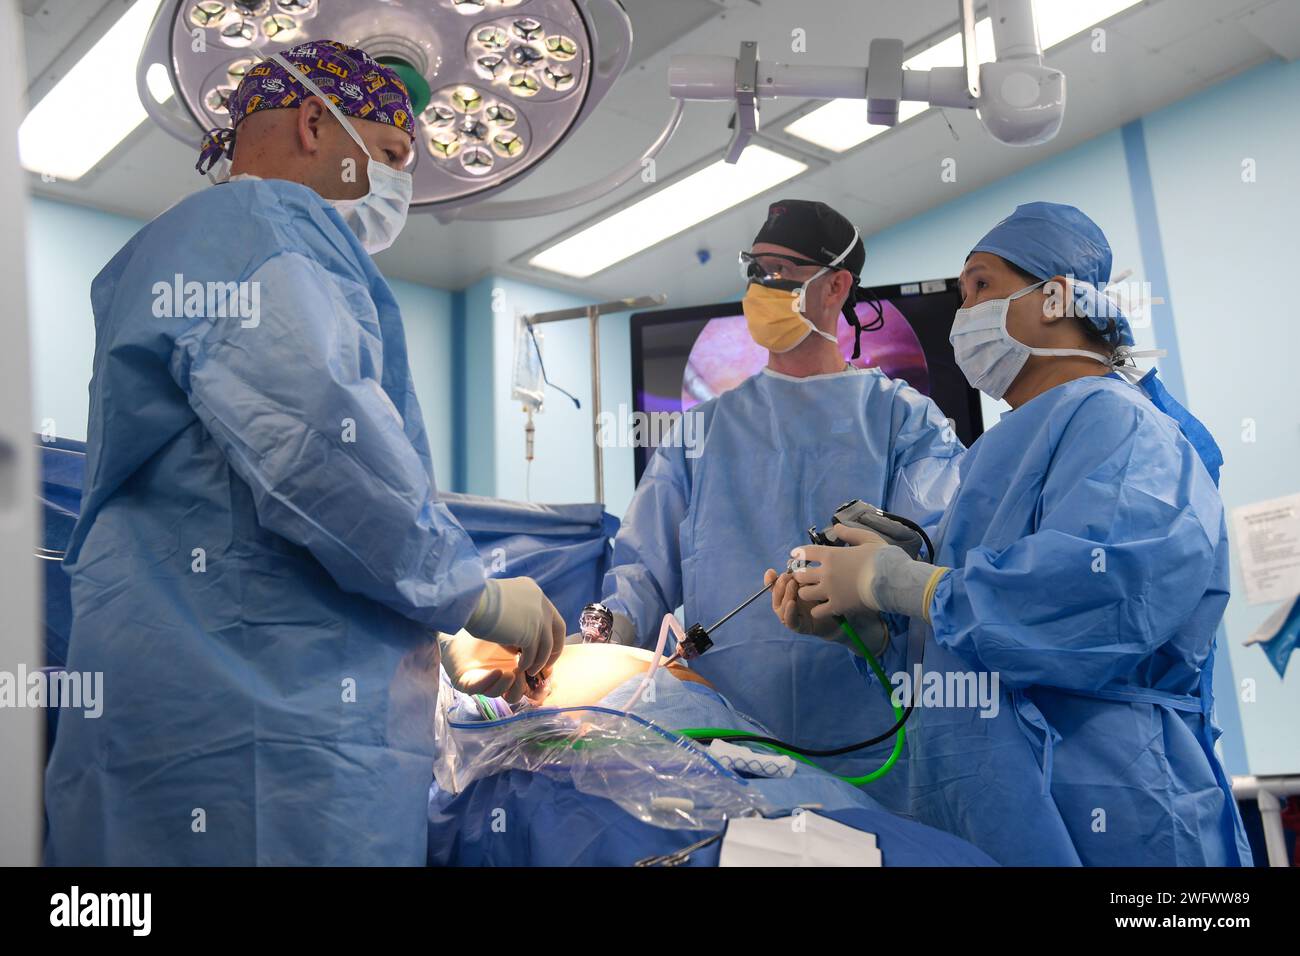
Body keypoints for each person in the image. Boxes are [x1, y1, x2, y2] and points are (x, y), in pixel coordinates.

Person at [43, 40, 564, 866]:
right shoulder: (254, 232)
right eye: (393, 156)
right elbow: (320, 453)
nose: (402, 186)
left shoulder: (220, 250)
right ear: (317, 122)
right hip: (253, 738)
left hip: (200, 713)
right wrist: (472, 596)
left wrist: (433, 627)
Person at [779, 202, 1252, 865]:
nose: (960, 312)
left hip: (1113, 805)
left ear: (1056, 297)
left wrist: (894, 579)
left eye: (980, 286)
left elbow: (1097, 596)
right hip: (992, 805)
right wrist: (866, 624)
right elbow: (963, 639)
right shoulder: (990, 460)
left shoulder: (1120, 426)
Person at [596, 199, 965, 805]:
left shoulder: (903, 422)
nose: (760, 287)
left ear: (836, 285)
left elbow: (928, 580)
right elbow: (640, 577)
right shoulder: (702, 433)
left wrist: (865, 630)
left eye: (780, 272)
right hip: (726, 747)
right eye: (754, 270)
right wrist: (596, 634)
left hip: (868, 746)